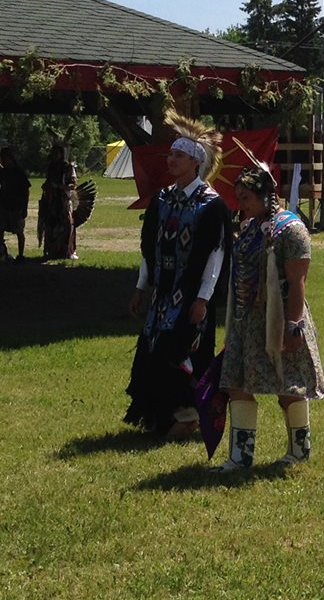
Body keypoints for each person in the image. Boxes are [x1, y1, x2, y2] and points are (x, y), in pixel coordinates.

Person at [125, 112, 231, 441]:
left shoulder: (211, 205)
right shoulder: (162, 199)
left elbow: (216, 255)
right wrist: (142, 287)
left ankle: (188, 416)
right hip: (162, 294)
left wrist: (203, 298)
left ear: (195, 163)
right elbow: (149, 249)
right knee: (154, 351)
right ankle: (160, 416)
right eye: (170, 154)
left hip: (190, 293)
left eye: (178, 156)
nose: (171, 160)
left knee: (183, 353)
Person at [213, 166, 324, 470]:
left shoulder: (291, 229)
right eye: (238, 198)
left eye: (246, 197)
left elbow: (298, 281)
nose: (241, 204)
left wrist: (293, 326)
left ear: (265, 195)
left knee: (287, 387)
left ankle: (299, 452)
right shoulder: (251, 227)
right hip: (247, 322)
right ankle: (240, 456)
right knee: (237, 384)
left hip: (281, 320)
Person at [38, 145, 78, 260]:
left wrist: (58, 186)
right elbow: (48, 181)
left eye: (57, 153)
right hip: (51, 202)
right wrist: (46, 186)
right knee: (50, 226)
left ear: (61, 154)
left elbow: (73, 186)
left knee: (66, 225)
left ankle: (66, 251)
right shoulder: (51, 167)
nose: (55, 156)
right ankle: (51, 251)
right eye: (53, 153)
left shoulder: (68, 168)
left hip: (63, 201)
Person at [0, 147, 30, 261]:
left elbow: (26, 191)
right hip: (5, 204)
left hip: (16, 206)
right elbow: (2, 189)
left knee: (19, 231)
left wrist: (24, 208)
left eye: (5, 158)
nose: (3, 160)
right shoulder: (4, 172)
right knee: (0, 229)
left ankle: (20, 255)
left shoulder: (19, 172)